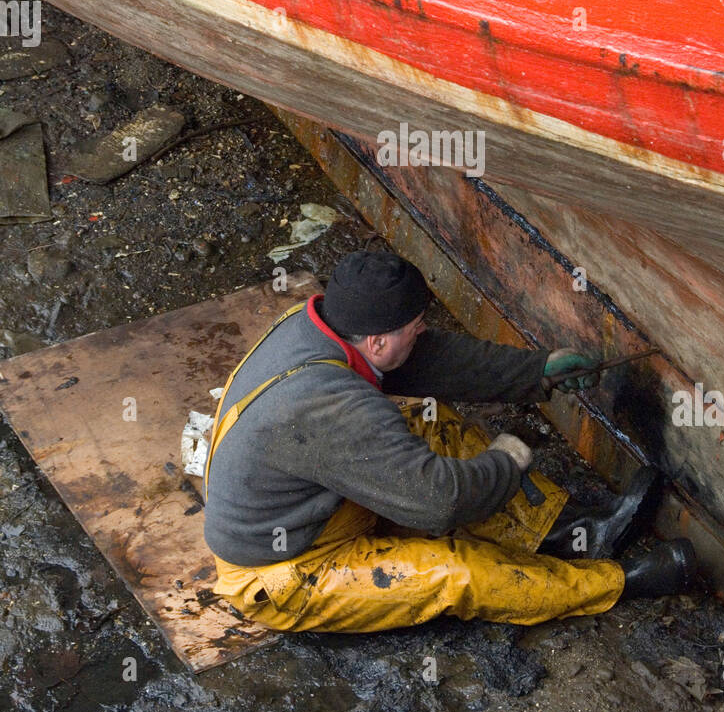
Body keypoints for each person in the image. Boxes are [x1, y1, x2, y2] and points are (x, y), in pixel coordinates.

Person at [203, 251, 696, 633]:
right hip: (289, 569)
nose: (422, 336)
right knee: (454, 572)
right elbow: (440, 502)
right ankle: (613, 583)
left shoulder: (323, 328)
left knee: (425, 418)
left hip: (310, 501)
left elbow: (426, 361)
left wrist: (535, 371)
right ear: (376, 341)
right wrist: (506, 462)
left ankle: (573, 536)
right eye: (414, 330)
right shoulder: (331, 406)